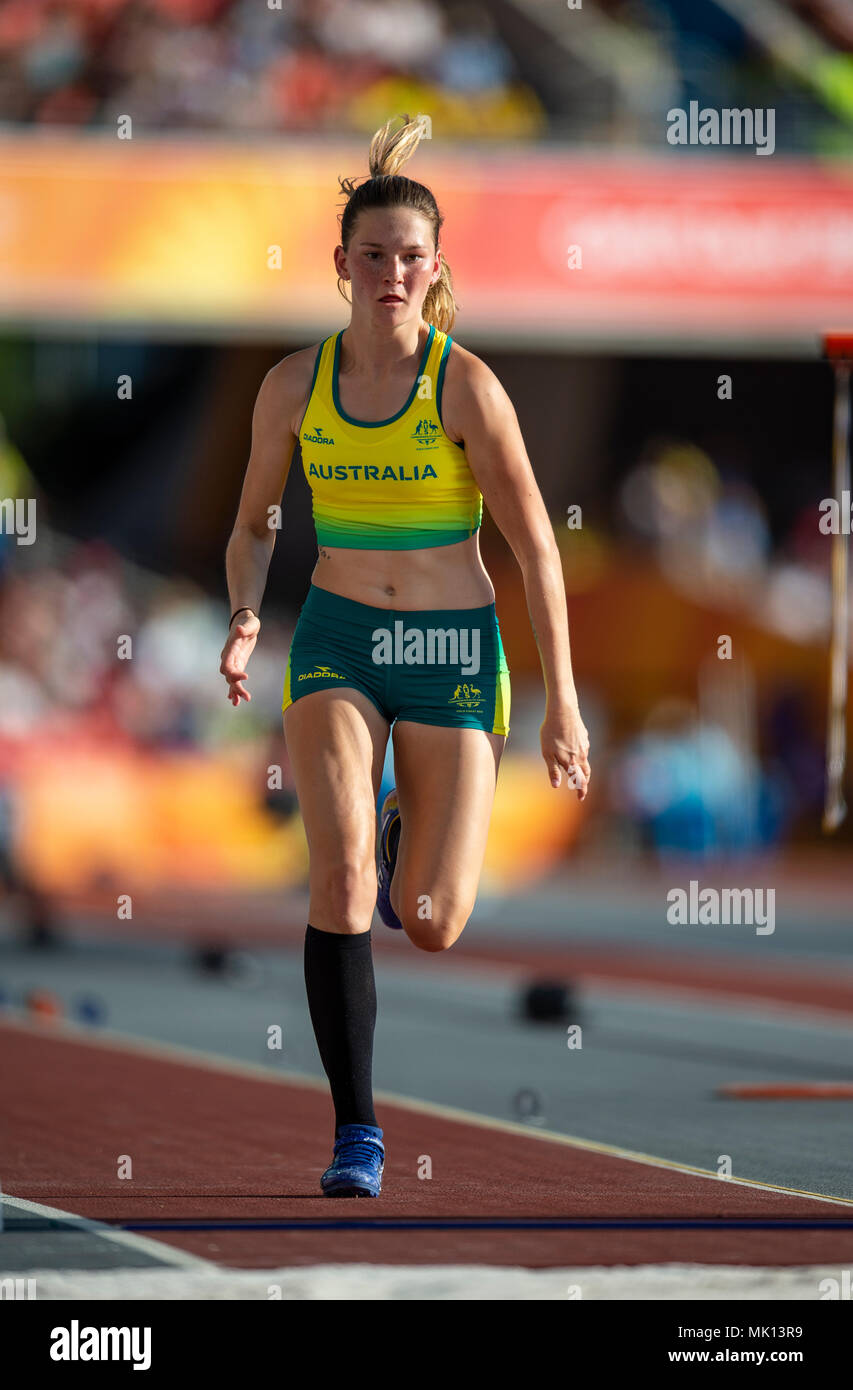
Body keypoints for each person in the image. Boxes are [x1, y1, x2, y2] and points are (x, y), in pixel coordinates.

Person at [220, 114, 590, 1198]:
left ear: (437, 270)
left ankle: (398, 838)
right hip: (337, 642)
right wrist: (247, 611)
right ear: (340, 266)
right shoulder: (294, 384)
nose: (392, 273)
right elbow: (252, 523)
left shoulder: (467, 387)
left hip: (451, 650)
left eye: (411, 257)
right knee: (332, 882)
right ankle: (357, 1133)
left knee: (430, 922)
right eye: (371, 256)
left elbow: (534, 550)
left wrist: (563, 703)